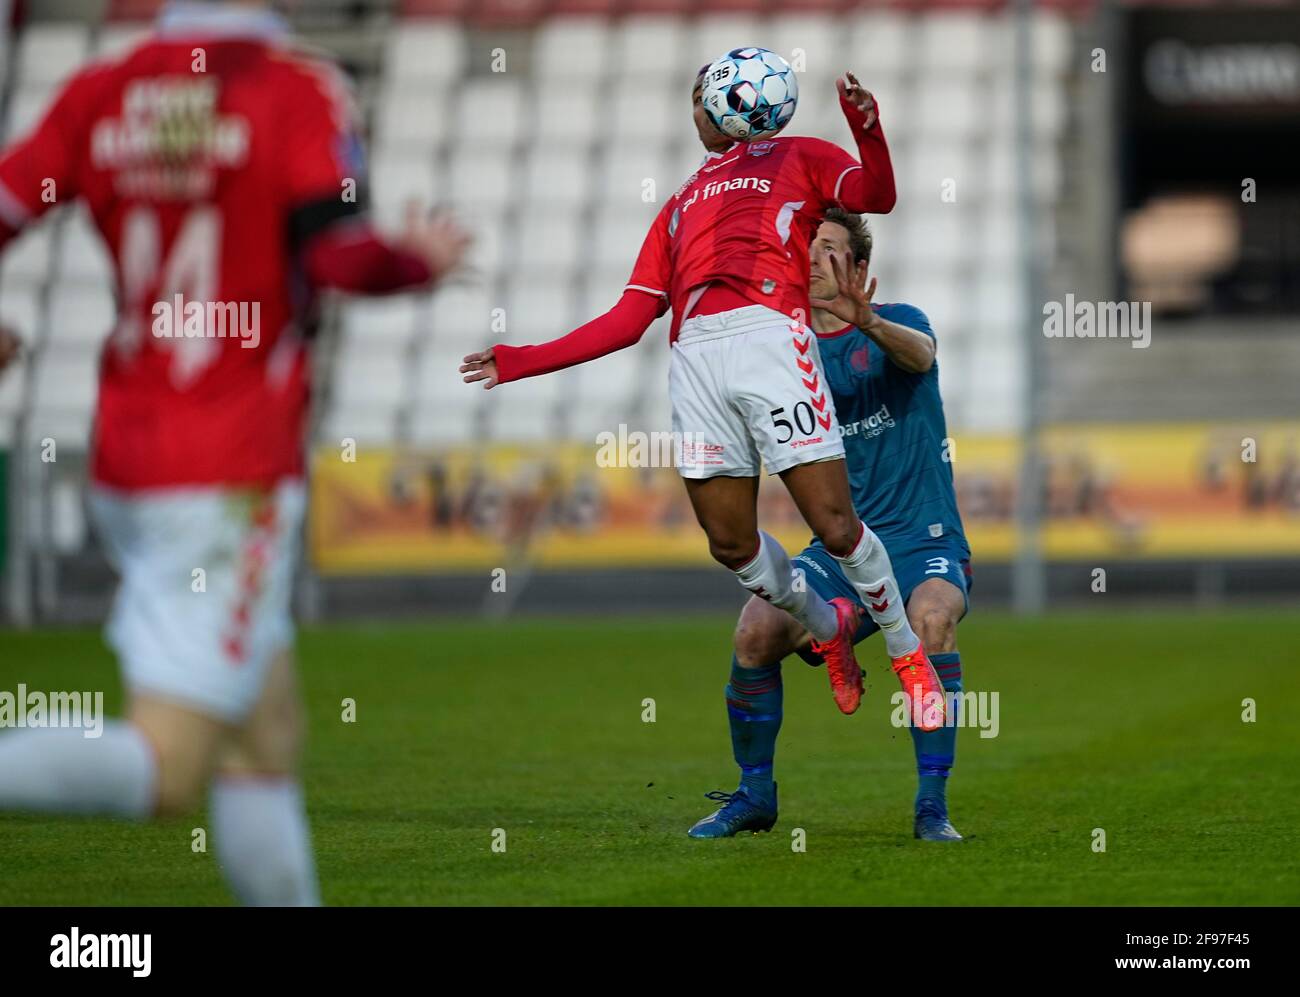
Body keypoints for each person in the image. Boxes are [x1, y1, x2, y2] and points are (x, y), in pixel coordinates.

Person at [0, 0, 469, 904]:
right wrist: (416, 261)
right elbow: (336, 258)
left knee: (264, 733)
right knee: (171, 766)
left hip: (129, 452)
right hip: (227, 468)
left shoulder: (102, 90)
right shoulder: (296, 90)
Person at [462, 63, 944, 723]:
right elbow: (628, 321)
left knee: (834, 525)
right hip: (694, 360)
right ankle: (826, 626)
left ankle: (903, 649)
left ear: (730, 108)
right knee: (731, 544)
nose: (695, 112)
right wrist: (523, 359)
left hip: (771, 339)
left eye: (701, 100)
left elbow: (876, 195)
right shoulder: (680, 204)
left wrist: (867, 125)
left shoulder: (801, 156)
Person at [689, 210, 971, 841]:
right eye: (806, 249)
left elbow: (921, 356)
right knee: (755, 632)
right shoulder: (780, 351)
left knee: (930, 620)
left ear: (860, 269)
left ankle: (932, 807)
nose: (815, 261)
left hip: (922, 542)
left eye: (831, 251)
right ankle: (754, 796)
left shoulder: (901, 323)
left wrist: (865, 320)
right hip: (840, 547)